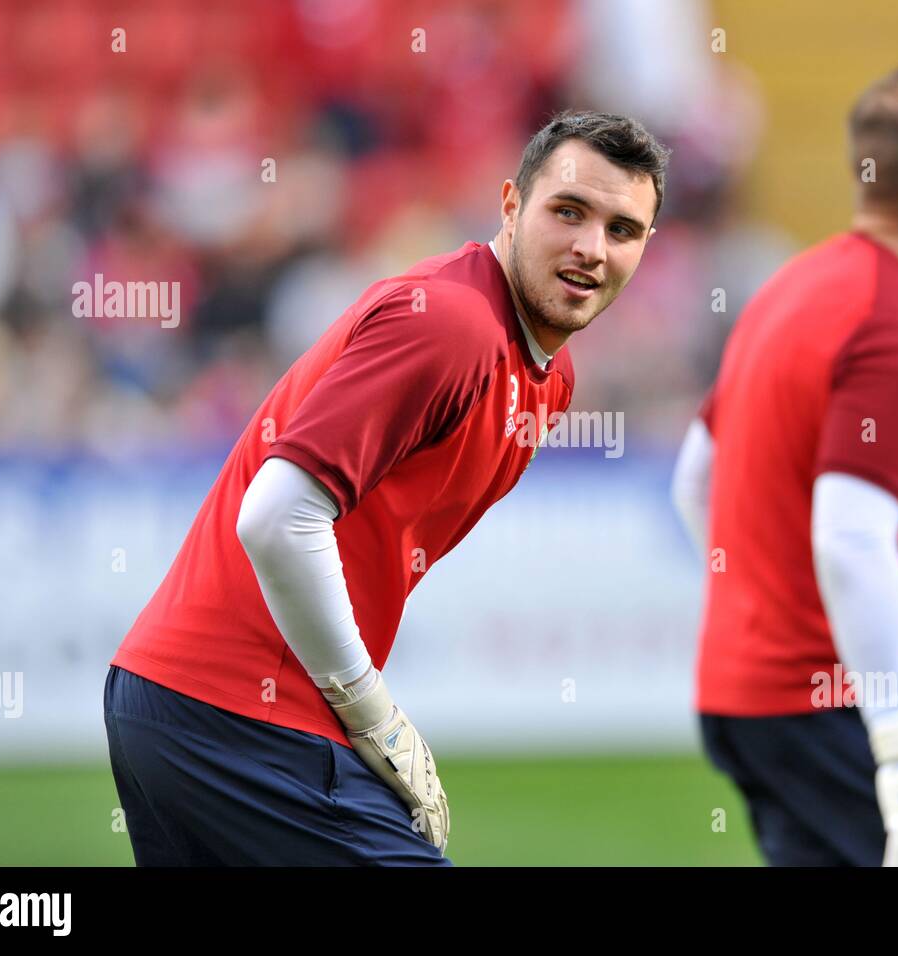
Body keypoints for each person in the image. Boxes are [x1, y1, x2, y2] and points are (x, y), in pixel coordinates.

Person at [104, 110, 670, 866]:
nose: (590, 249)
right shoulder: (452, 325)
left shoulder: (547, 374)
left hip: (186, 703)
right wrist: (375, 718)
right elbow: (277, 515)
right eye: (567, 211)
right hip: (242, 709)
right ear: (510, 205)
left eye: (622, 230)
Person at [672, 65, 898, 866]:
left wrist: (758, 613)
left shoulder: (784, 288)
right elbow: (851, 538)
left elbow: (695, 478)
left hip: (743, 697)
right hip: (837, 699)